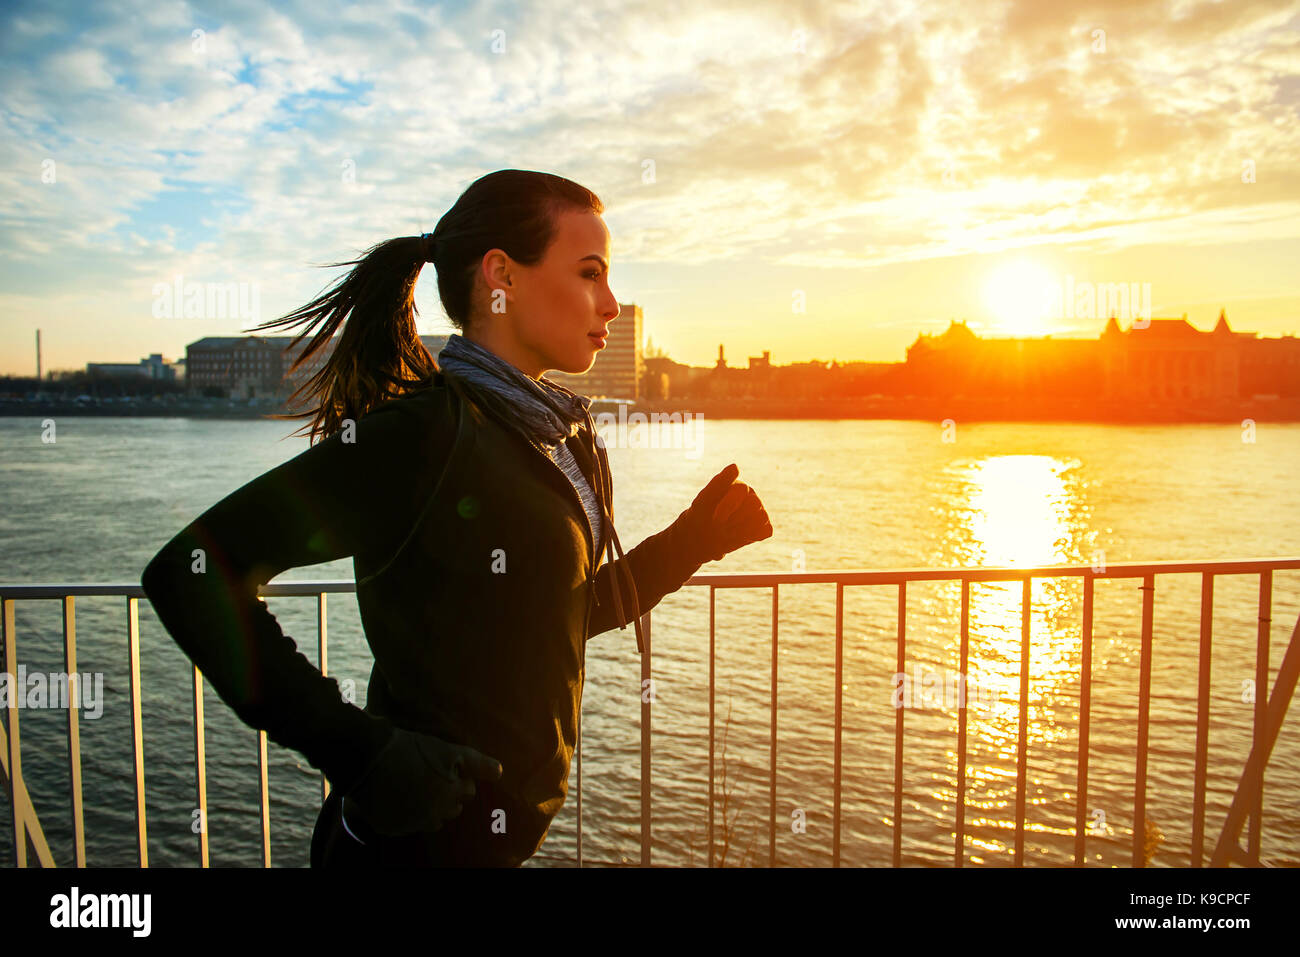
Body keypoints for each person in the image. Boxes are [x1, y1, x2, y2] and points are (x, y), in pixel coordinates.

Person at [140, 169, 773, 867]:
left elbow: (561, 614)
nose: (613, 304)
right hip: (401, 852)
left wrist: (692, 541)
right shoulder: (426, 436)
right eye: (591, 273)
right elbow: (191, 571)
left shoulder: (565, 438)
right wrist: (362, 751)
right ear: (501, 275)